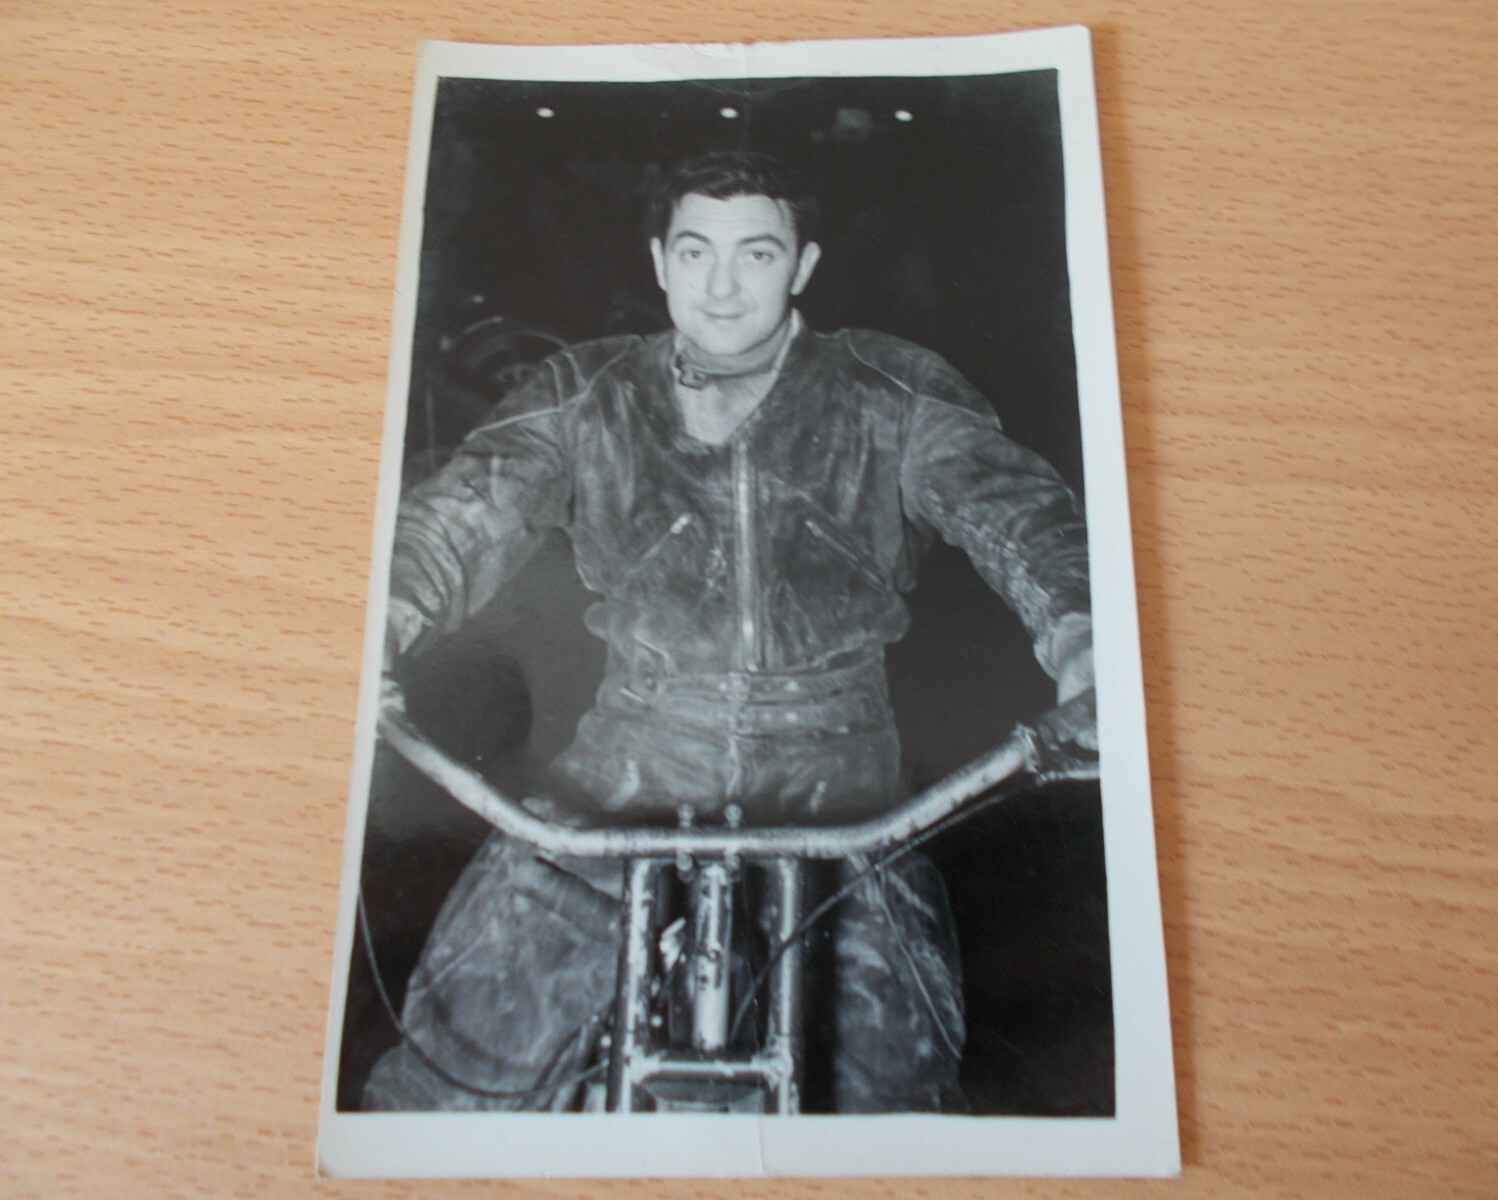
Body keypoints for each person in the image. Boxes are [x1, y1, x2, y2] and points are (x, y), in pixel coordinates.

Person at [361, 150, 1096, 1113]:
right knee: (449, 1075)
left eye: (756, 254)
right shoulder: (586, 394)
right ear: (661, 259)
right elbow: (466, 513)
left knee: (891, 1097)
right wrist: (382, 619)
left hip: (841, 785)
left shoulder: (892, 394)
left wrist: (1086, 640)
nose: (720, 284)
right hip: (626, 769)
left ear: (803, 264)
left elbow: (1022, 517)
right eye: (697, 250)